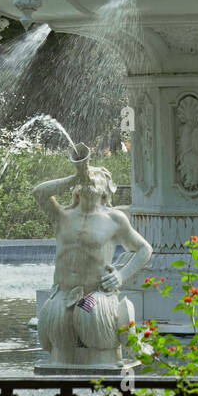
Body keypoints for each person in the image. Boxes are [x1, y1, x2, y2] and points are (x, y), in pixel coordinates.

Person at [33, 144, 152, 367]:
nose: (89, 178)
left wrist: (121, 275)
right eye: (87, 176)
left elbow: (144, 249)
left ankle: (108, 385)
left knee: (91, 322)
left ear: (106, 190)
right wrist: (75, 176)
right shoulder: (62, 216)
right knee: (59, 357)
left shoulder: (114, 219)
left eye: (95, 176)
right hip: (62, 294)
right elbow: (39, 192)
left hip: (93, 296)